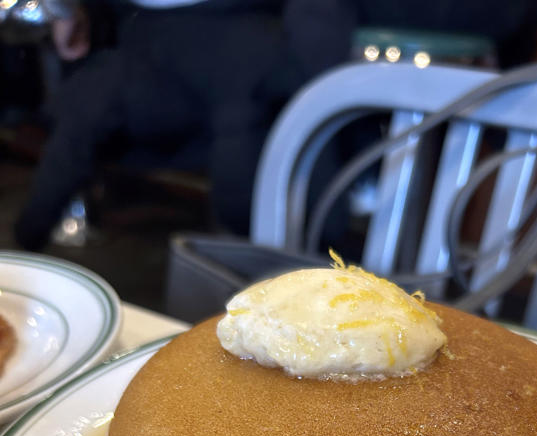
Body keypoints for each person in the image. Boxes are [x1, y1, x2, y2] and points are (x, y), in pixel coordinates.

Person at [15, 0, 343, 249]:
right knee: (85, 109)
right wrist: (66, 9)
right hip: (143, 29)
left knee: (240, 128)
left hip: (239, 24)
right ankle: (24, 248)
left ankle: (255, 268)